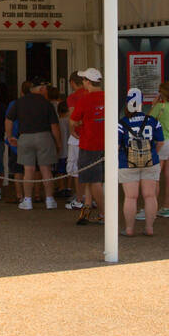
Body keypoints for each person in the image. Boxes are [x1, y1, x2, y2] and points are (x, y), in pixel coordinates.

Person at [5, 78, 61, 211]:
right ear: (41, 89)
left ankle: (27, 200)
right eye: (45, 88)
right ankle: (49, 199)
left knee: (28, 170)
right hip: (44, 136)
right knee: (45, 169)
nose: (46, 90)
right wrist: (58, 143)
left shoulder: (19, 102)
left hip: (25, 137)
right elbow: (54, 126)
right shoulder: (47, 103)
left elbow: (8, 119)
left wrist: (9, 136)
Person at [118, 89, 165, 236]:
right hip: (150, 161)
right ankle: (149, 228)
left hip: (127, 162)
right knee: (150, 195)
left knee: (131, 197)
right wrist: (152, 153)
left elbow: (117, 145)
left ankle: (130, 229)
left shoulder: (121, 124)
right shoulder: (153, 121)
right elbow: (161, 141)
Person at [71, 68, 105, 226]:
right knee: (92, 179)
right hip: (106, 144)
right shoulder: (109, 96)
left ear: (88, 82)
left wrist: (76, 129)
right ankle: (87, 207)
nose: (82, 82)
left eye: (84, 79)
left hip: (89, 143)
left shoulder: (85, 100)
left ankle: (104, 212)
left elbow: (74, 120)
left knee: (94, 180)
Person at [147, 81, 169, 218]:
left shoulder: (160, 107)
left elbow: (148, 122)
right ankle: (166, 207)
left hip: (160, 142)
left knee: (154, 176)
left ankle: (151, 208)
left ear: (161, 93)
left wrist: (153, 105)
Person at [64, 72, 85, 211]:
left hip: (78, 136)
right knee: (89, 167)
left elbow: (73, 116)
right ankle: (90, 198)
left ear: (72, 82)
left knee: (76, 169)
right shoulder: (90, 94)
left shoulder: (73, 97)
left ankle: (79, 198)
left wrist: (72, 129)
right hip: (93, 135)